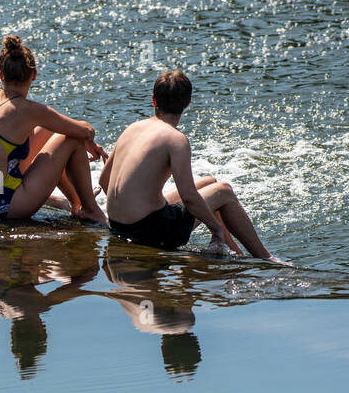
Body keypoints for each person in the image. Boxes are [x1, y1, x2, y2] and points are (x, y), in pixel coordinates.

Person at [101, 69, 275, 259]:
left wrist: (133, 206)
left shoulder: (132, 128)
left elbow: (104, 181)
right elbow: (189, 197)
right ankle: (267, 258)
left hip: (117, 224)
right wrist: (215, 228)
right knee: (224, 191)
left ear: (153, 100)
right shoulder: (175, 139)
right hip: (146, 231)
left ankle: (234, 252)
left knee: (210, 182)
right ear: (187, 103)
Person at [0, 36, 108, 224]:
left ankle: (76, 204)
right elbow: (86, 131)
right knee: (72, 139)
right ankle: (92, 211)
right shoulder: (27, 110)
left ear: (1, 74)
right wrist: (88, 141)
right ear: (34, 74)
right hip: (2, 207)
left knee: (48, 131)